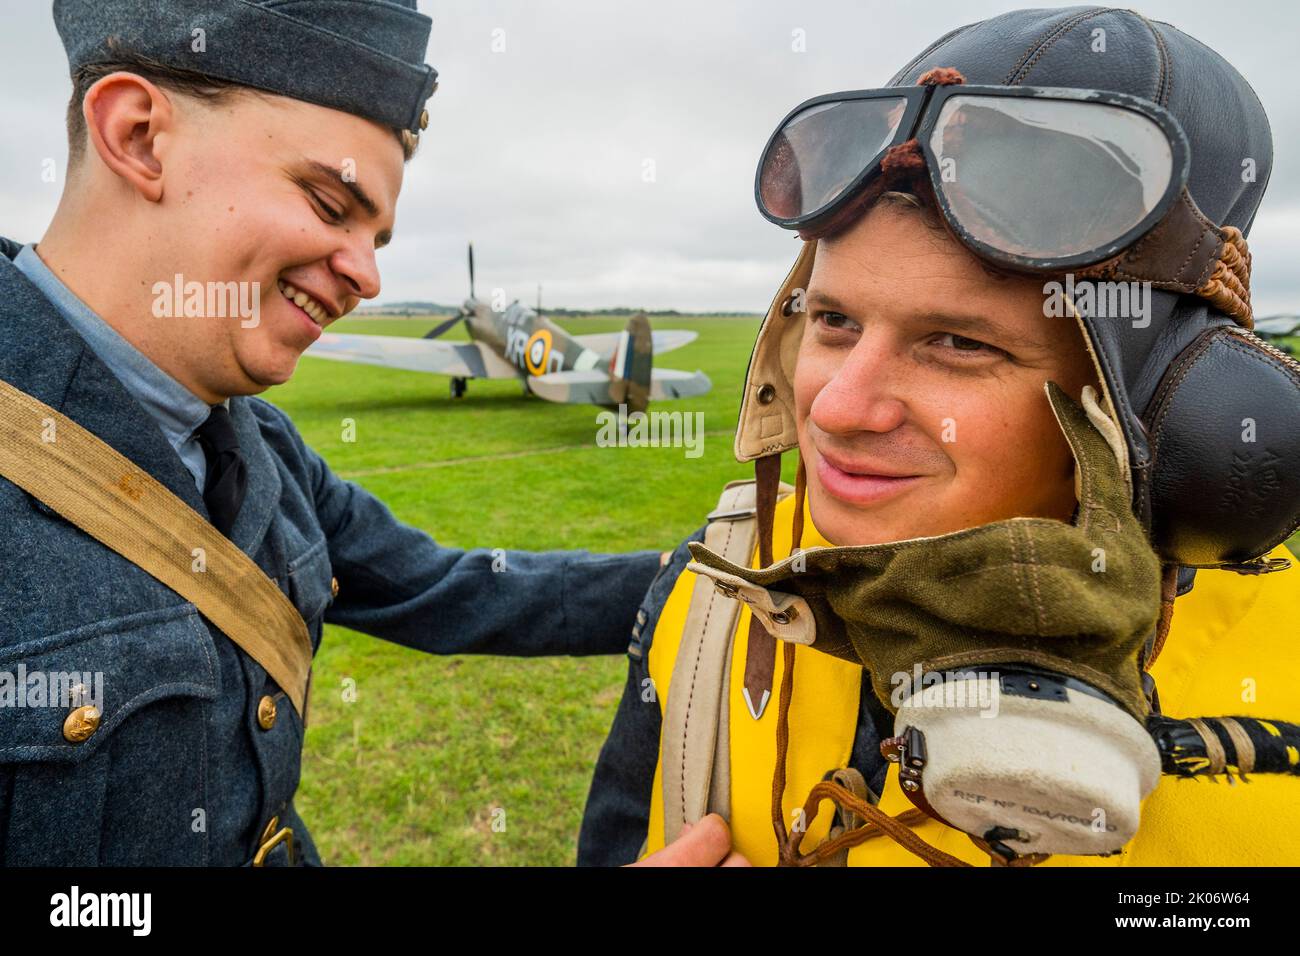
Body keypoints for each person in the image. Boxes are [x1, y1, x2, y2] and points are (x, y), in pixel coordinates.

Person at [579, 5, 1300, 867]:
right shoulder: (718, 595)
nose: (839, 409)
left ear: (1154, 410)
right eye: (835, 319)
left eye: (958, 343)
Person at [0, 0, 663, 866]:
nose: (369, 276)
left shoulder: (262, 450)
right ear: (138, 137)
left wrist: (705, 574)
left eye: (377, 234)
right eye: (328, 202)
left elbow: (457, 589)